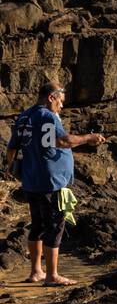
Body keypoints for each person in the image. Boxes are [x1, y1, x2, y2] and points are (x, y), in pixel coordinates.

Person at [3, 82, 104, 286]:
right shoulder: (47, 116)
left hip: (32, 182)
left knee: (38, 226)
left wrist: (11, 169)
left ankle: (36, 272)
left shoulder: (24, 116)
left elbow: (11, 149)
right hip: (51, 182)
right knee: (55, 226)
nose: (61, 106)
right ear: (51, 97)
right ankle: (52, 275)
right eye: (60, 101)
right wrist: (89, 138)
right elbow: (62, 141)